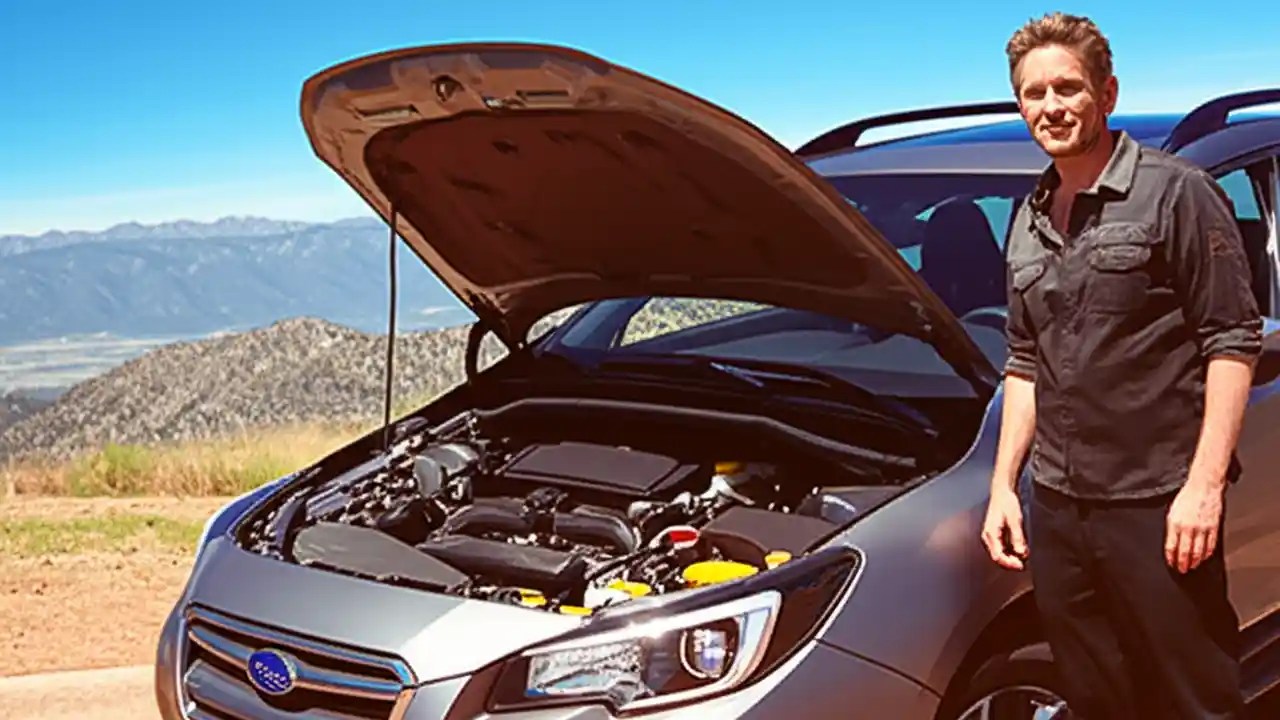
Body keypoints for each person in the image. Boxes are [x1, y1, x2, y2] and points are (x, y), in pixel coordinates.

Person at [980, 11, 1262, 720]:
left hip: (1156, 504)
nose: (1051, 107)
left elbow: (1232, 339)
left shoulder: (1176, 194)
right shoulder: (1030, 213)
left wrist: (1203, 489)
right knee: (1098, 695)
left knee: (1193, 696)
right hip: (1060, 507)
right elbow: (1025, 360)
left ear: (1106, 93)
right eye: (1034, 94)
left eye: (1067, 88)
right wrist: (1004, 486)